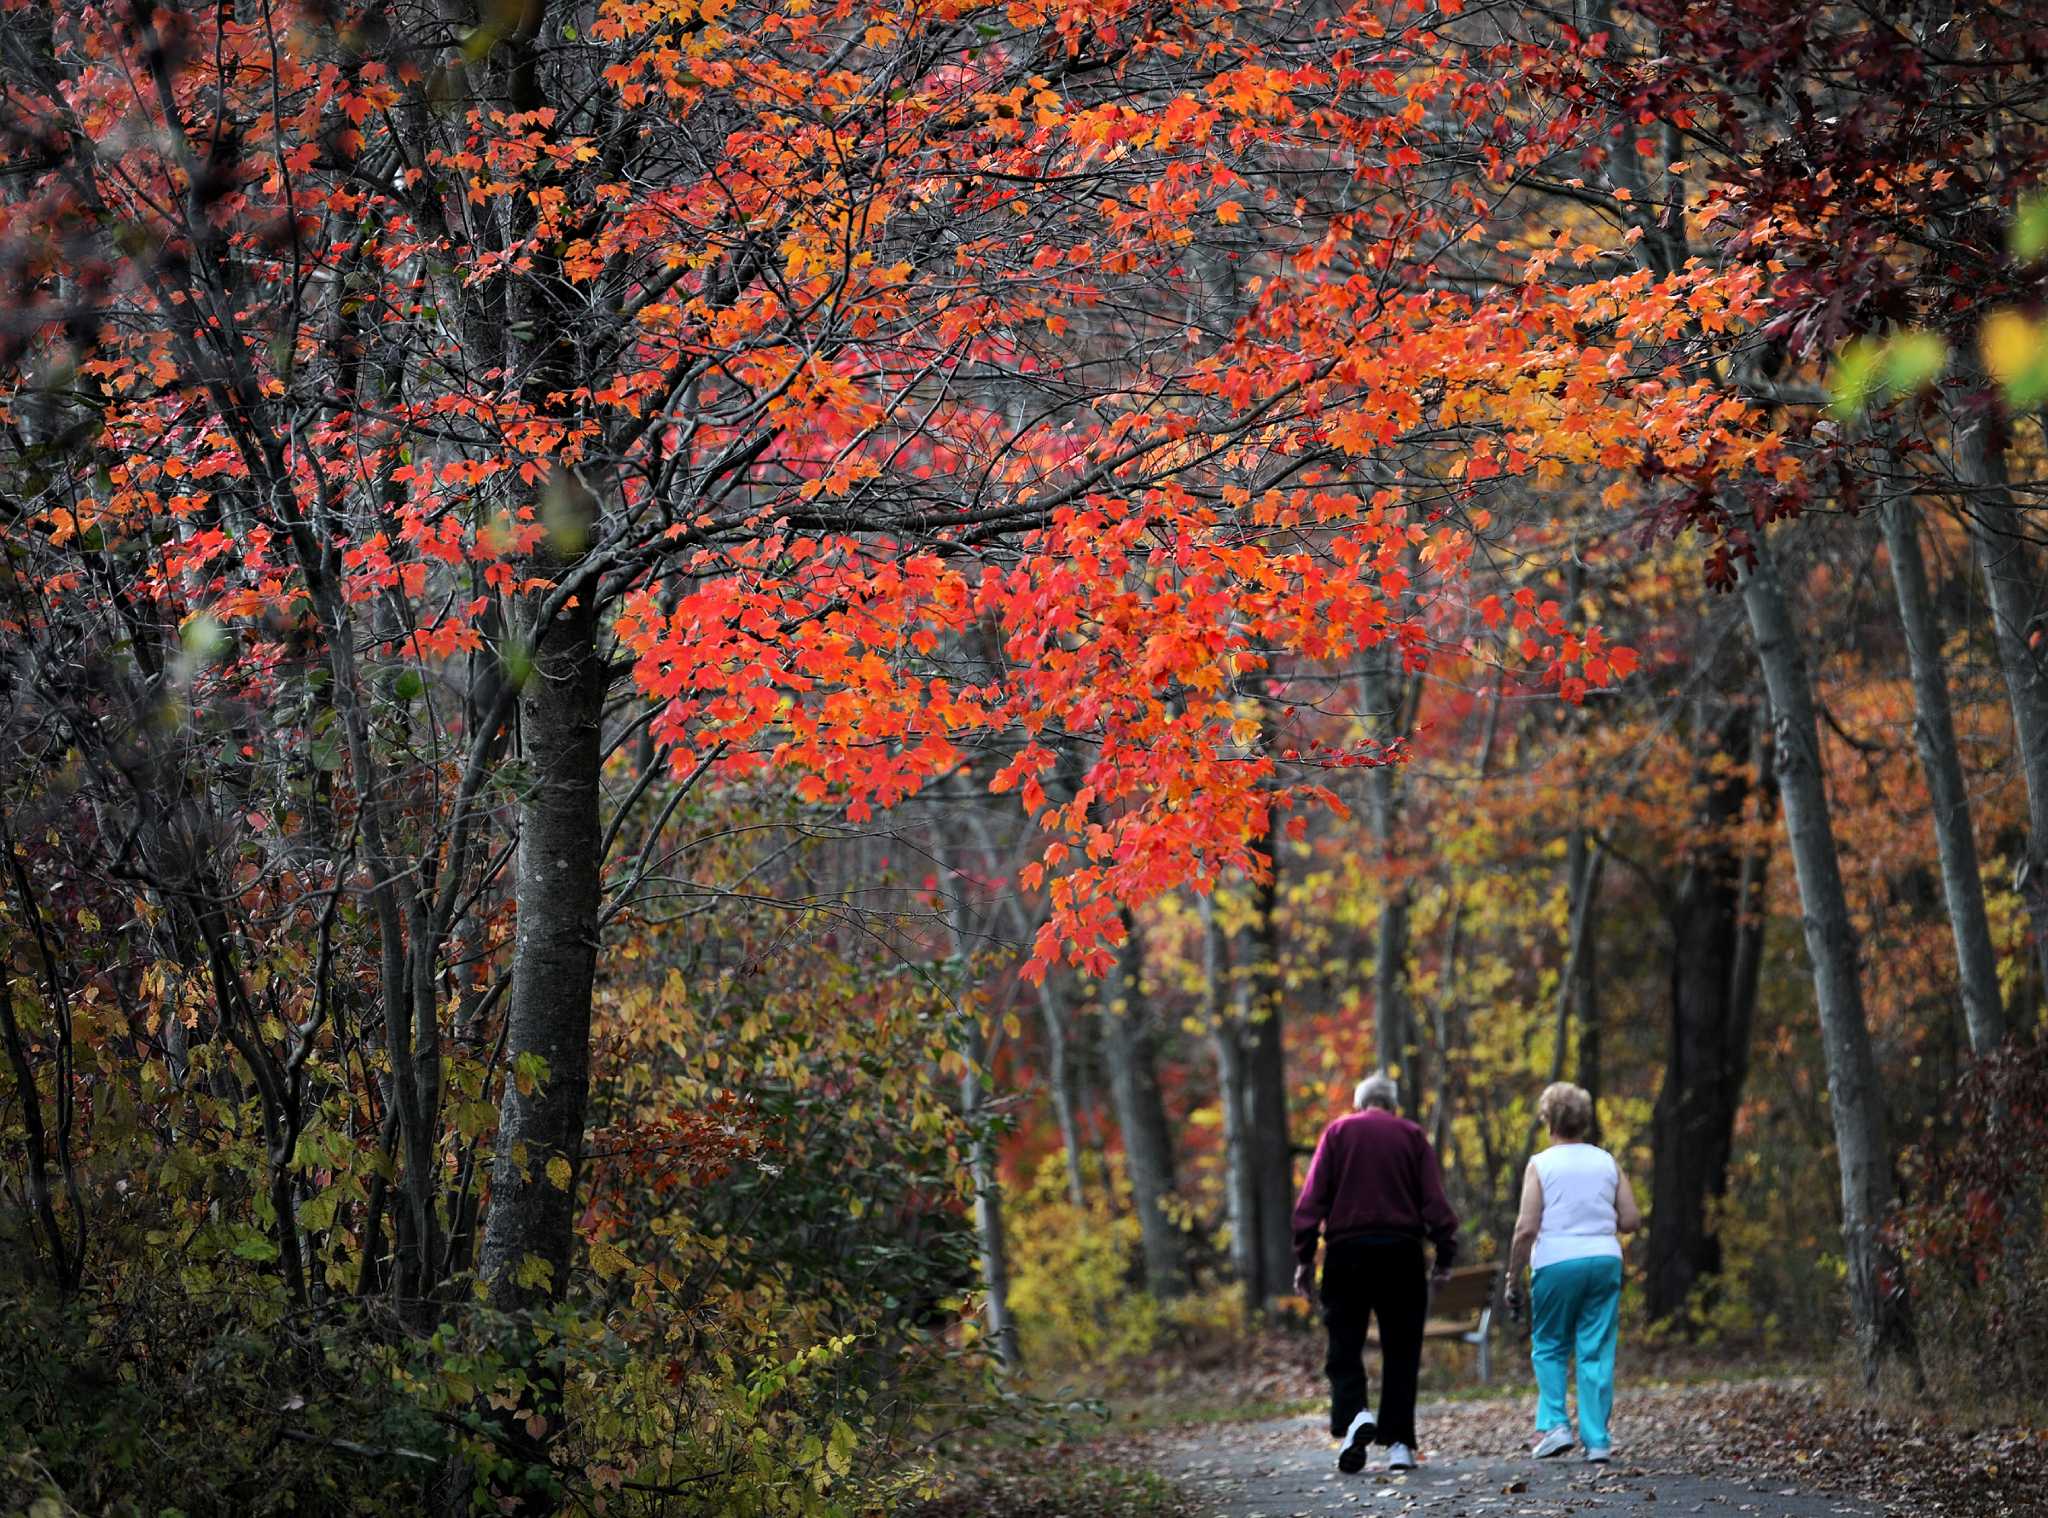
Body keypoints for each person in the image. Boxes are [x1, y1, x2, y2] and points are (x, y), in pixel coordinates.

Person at [1291, 1071, 1459, 1476]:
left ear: (1359, 1103)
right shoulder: (1412, 1136)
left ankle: (1354, 1419)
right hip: (1401, 1252)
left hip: (1347, 1252)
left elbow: (1312, 1200)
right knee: (1402, 1350)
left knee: (1344, 1346)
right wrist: (1445, 1252)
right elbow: (1434, 1200)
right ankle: (1400, 1443)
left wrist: (1304, 1256)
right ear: (1393, 1105)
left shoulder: (1337, 1133)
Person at [1504, 1081, 1642, 1465]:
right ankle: (1598, 1441)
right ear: (1584, 1120)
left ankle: (1555, 1426)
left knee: (1549, 1345)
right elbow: (1630, 1219)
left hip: (1557, 1262)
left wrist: (1513, 1277)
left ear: (1548, 1120)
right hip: (1603, 1260)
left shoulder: (1541, 1165)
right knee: (1595, 1349)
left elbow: (1526, 1228)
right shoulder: (1606, 1161)